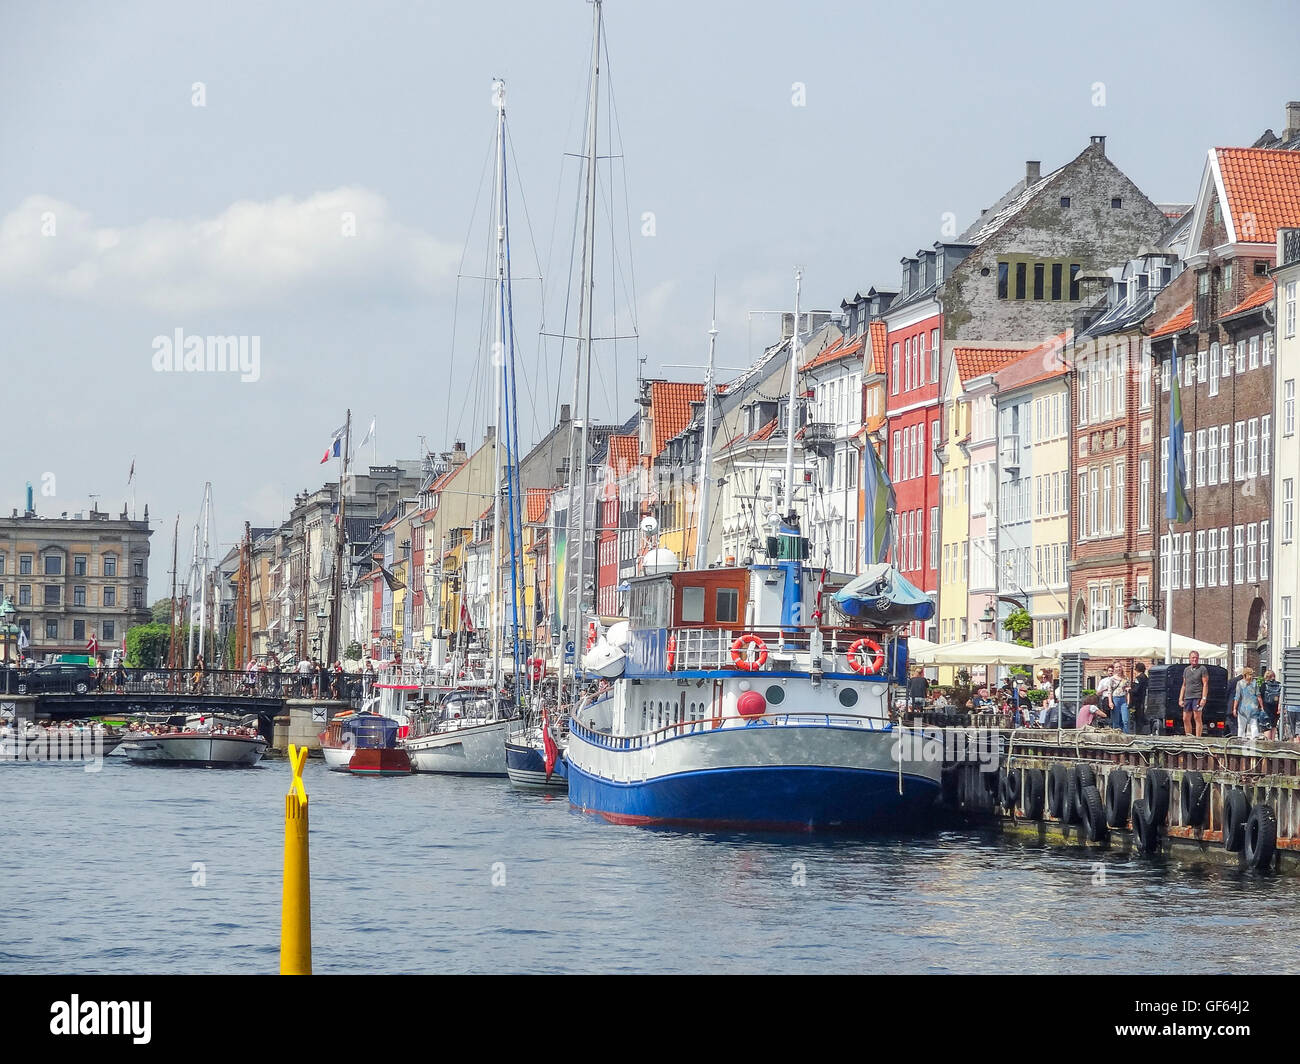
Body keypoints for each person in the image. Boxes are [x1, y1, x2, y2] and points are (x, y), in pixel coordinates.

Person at [1180, 651, 1209, 737]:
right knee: (1185, 718)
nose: (1195, 659)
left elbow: (1205, 684)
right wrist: (1180, 698)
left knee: (1197, 717)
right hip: (1187, 697)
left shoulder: (1202, 669)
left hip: (1197, 696)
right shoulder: (1186, 670)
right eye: (1193, 657)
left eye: (1196, 657)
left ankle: (1198, 738)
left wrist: (1204, 698)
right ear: (1189, 658)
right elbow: (1184, 685)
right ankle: (1189, 737)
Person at [1232, 666, 1263, 740]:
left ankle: (1240, 741)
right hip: (1253, 707)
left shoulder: (1239, 683)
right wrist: (1262, 706)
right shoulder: (1255, 683)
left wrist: (1234, 708)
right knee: (1254, 725)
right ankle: (1255, 740)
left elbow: (1237, 697)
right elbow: (1259, 696)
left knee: (1241, 727)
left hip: (1242, 708)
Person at [1261, 670, 1281, 740]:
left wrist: (1261, 707)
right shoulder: (1279, 685)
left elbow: (1260, 696)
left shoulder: (1264, 685)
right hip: (1276, 709)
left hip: (1267, 708)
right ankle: (1272, 742)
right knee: (1274, 726)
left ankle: (1268, 744)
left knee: (1267, 726)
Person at [1129, 662, 1149, 733]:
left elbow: (1136, 690)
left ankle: (1138, 732)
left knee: (1137, 718)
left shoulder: (1138, 678)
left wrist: (1129, 689)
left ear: (1136, 670)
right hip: (1143, 700)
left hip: (1137, 701)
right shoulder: (1146, 678)